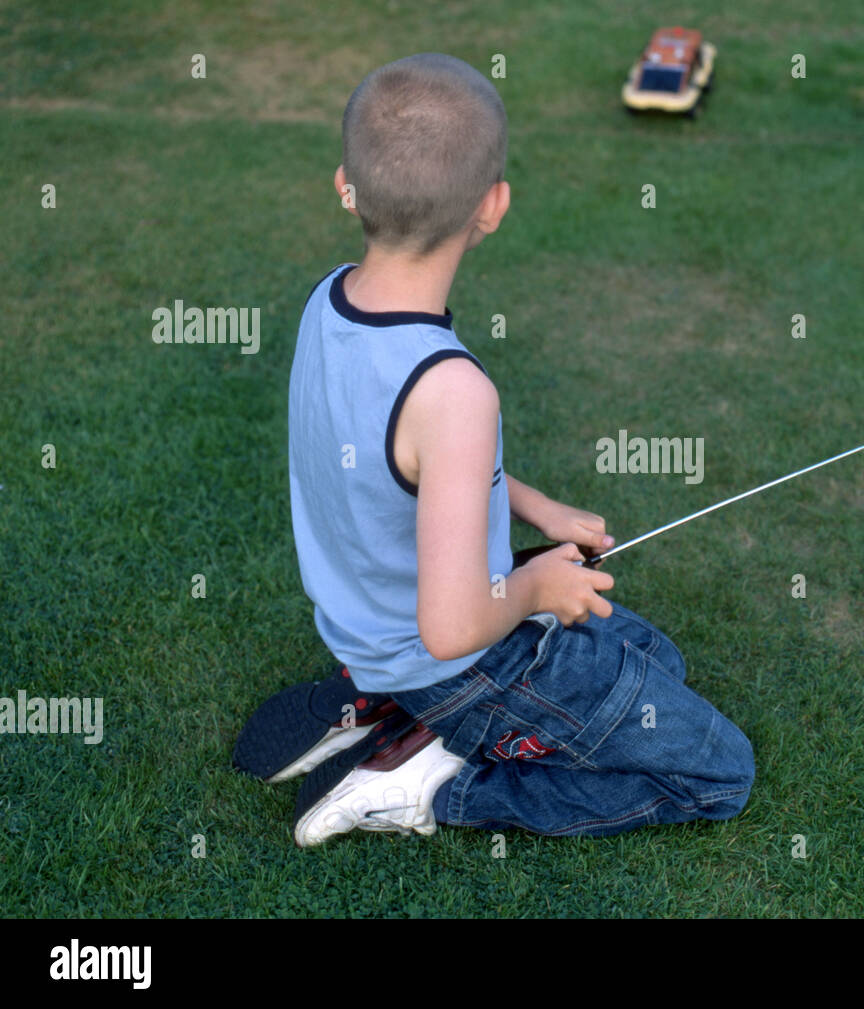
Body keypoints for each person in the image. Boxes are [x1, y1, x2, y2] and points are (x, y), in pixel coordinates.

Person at [240, 53, 753, 846]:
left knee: (657, 659)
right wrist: (535, 586)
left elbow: (398, 468)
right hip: (460, 661)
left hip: (373, 632)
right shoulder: (455, 391)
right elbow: (452, 628)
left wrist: (533, 504)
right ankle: (434, 785)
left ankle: (390, 708)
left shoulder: (328, 300)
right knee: (719, 769)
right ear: (494, 206)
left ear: (346, 183)